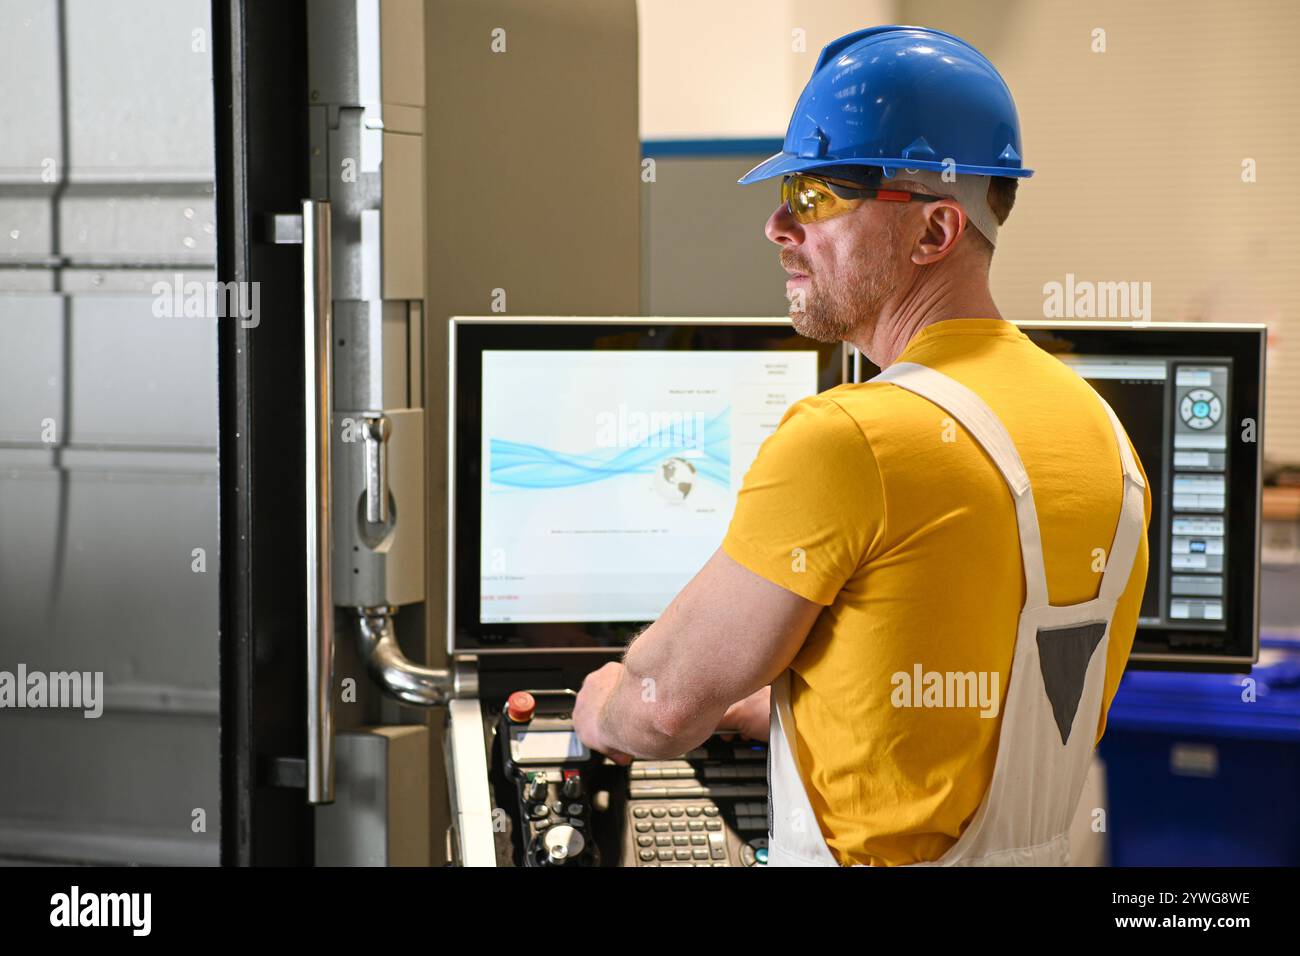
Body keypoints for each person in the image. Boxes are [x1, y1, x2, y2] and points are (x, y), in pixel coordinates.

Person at [573, 25, 1151, 866]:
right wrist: (785, 709)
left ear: (935, 231)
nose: (777, 226)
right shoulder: (1102, 435)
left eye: (816, 195)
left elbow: (661, 707)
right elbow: (984, 708)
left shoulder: (847, 439)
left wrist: (603, 705)